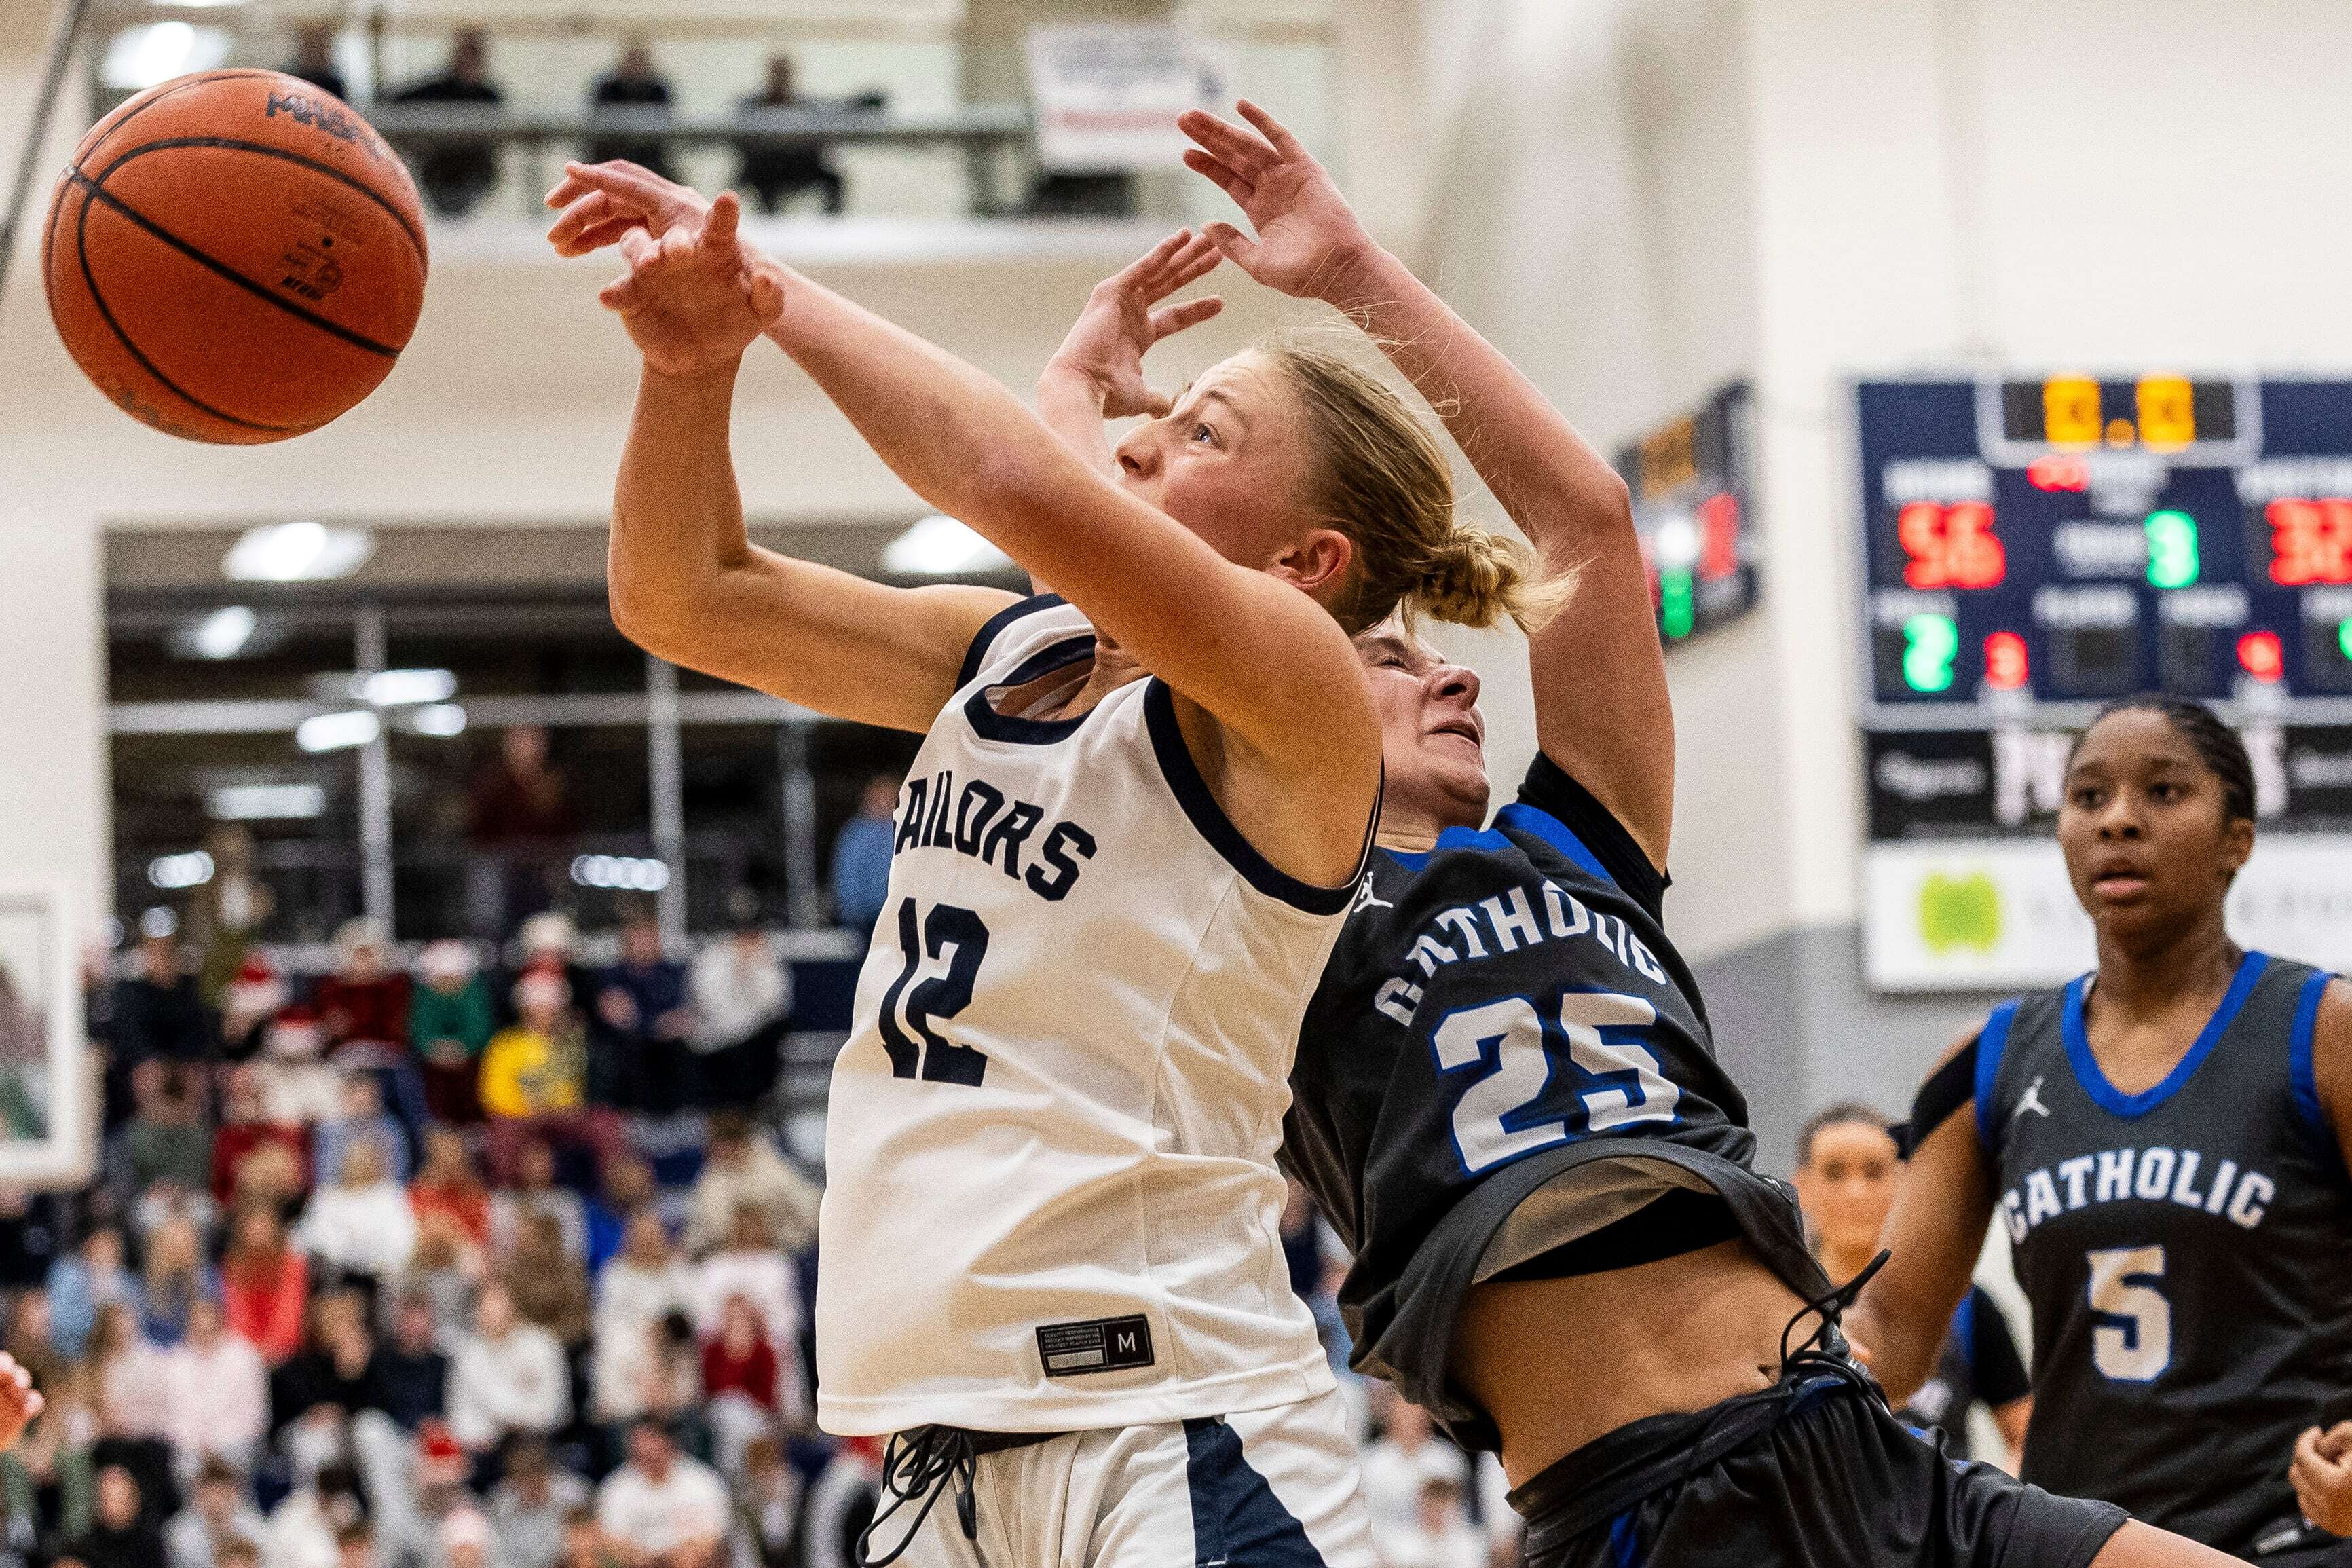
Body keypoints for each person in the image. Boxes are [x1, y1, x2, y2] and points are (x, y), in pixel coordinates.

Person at [1116, 104, 2222, 1568]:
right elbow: (1140, 626)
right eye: (1388, 660)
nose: (1448, 670)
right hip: (1645, 1507)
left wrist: (1354, 275)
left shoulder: (1575, 846)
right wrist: (1128, 451)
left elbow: (1586, 524)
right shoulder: (1270, 901)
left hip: (1866, 1454)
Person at [545, 98, 1537, 1561]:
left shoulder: (1296, 700)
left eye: (1203, 431)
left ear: (1301, 559)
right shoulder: (1009, 658)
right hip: (941, 1447)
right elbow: (681, 594)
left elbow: (1014, 477)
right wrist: (687, 370)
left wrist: (765, 293)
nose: (1145, 442)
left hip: (1174, 1432)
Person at [1855, 695, 2352, 1558]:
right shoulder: (1989, 1062)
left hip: (2292, 1538)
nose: (2118, 820)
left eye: (2162, 793)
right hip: (2087, 1544)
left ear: (2238, 839)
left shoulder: (2324, 1030)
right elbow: (1892, 1333)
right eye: (2088, 797)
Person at [1792, 1102, 2030, 1461]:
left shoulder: (1962, 1304)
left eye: (1874, 1172)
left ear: (1903, 1180)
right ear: (1802, 1187)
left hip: (1937, 1516)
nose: (1855, 1192)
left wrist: (1994, 1512)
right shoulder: (1775, 1302)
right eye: (1835, 1173)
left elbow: (2026, 1436)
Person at [390, 28, 504, 219]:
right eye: (465, 55)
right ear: (456, 58)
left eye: (474, 56)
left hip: (472, 170)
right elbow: (396, 101)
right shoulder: (436, 89)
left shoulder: (489, 96)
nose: (469, 63)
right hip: (439, 169)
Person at [447, 1284, 568, 1457]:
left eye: (498, 1305)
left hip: (540, 1443)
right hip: (487, 1451)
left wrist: (519, 1421)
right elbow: (461, 1417)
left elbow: (556, 1408)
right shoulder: (470, 1354)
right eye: (484, 1308)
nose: (490, 1315)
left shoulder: (542, 1345)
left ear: (515, 1307)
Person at [687, 914, 791, 1112]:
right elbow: (716, 1012)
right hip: (717, 1043)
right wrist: (736, 970)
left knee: (774, 1031)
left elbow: (776, 1003)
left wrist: (750, 970)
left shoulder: (767, 959)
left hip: (754, 1042)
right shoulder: (710, 960)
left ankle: (760, 1106)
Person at [681, 1113, 815, 1258]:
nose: (720, 1152)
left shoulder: (771, 1165)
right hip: (727, 1256)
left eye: (726, 1145)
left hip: (782, 1251)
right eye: (716, 1146)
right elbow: (697, 1233)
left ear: (739, 1143)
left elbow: (807, 1207)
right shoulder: (710, 1179)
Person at [595, 913, 691, 1117]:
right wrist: (651, 1025)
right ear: (626, 944)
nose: (643, 946)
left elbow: (679, 1017)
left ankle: (677, 1115)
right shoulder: (610, 975)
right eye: (637, 940)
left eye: (648, 939)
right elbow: (618, 1015)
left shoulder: (674, 973)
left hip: (669, 1050)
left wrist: (659, 1024)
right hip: (629, 1050)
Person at [162, 1298, 267, 1481]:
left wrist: (218, 1446)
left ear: (221, 1325)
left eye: (210, 1330)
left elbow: (254, 1414)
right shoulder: (175, 1362)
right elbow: (172, 1417)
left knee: (235, 1460)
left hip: (236, 1442)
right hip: (192, 1447)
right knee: (185, 1466)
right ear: (189, 1329)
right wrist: (200, 1445)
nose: (204, 1336)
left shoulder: (243, 1355)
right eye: (198, 1330)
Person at [595, 1421, 727, 1568]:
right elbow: (612, 1540)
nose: (648, 1451)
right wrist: (647, 1560)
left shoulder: (703, 1481)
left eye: (653, 1442)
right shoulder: (616, 1486)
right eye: (641, 1446)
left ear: (670, 1443)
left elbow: (714, 1536)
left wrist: (680, 1558)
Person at [295, 1138, 419, 1294]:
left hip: (379, 1278)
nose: (359, 1163)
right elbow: (305, 1239)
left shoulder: (391, 1196)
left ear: (377, 1163)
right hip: (330, 1278)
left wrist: (367, 1256)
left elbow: (404, 1241)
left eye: (365, 1158)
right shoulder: (325, 1197)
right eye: (354, 1157)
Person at [734, 54, 844, 216]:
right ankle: (769, 227)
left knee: (834, 181)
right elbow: (740, 140)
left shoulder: (807, 106)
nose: (781, 77)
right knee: (764, 177)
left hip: (800, 164)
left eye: (785, 73)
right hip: (766, 166)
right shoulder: (752, 105)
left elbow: (822, 139)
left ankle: (831, 231)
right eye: (777, 72)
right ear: (770, 74)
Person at [411, 942, 493, 1125]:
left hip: (469, 1064)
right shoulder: (426, 998)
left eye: (453, 978)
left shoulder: (474, 996)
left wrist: (463, 1049)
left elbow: (480, 1028)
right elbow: (420, 1029)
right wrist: (435, 1050)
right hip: (432, 1066)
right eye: (442, 978)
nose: (448, 983)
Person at [220, 1204, 308, 1364]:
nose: (259, 1230)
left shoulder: (293, 1265)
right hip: (243, 1355)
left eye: (264, 1224)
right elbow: (236, 1315)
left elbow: (290, 1314)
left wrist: (272, 1348)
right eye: (253, 1224)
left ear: (275, 1228)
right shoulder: (232, 1265)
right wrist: (252, 1352)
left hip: (283, 1355)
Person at [109, 929, 208, 1066]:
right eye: (155, 952)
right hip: (144, 1062)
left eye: (165, 951)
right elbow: (130, 1034)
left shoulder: (186, 989)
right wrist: (147, 1059)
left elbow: (194, 1029)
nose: (161, 958)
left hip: (182, 1060)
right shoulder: (133, 991)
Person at [489, 1436, 591, 1568]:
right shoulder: (501, 1503)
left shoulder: (573, 1496)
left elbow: (582, 1544)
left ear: (546, 1474)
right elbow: (497, 1553)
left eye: (535, 1477)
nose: (530, 1485)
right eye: (522, 1479)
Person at [588, 39, 677, 182]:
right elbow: (598, 124)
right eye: (633, 61)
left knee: (674, 182)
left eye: (640, 61)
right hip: (611, 157)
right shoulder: (608, 88)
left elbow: (666, 128)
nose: (636, 66)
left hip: (650, 160)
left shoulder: (657, 89)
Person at [825, 776, 896, 937]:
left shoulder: (902, 831)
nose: (884, 801)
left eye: (889, 796)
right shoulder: (855, 834)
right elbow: (846, 874)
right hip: (862, 921)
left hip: (894, 916)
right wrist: (851, 913)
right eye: (879, 795)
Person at [164, 1457, 264, 1568]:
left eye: (221, 1494)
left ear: (234, 1494)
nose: (215, 1501)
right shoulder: (180, 1536)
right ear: (197, 1496)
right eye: (209, 1494)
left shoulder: (254, 1530)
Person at [63, 1463, 158, 1568]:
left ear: (135, 1501)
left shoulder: (151, 1545)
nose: (112, 1508)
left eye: (119, 1500)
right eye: (106, 1500)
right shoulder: (84, 1549)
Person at [284, 23, 346, 102]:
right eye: (310, 45)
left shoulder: (335, 84)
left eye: (319, 45)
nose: (315, 51)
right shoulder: (290, 79)